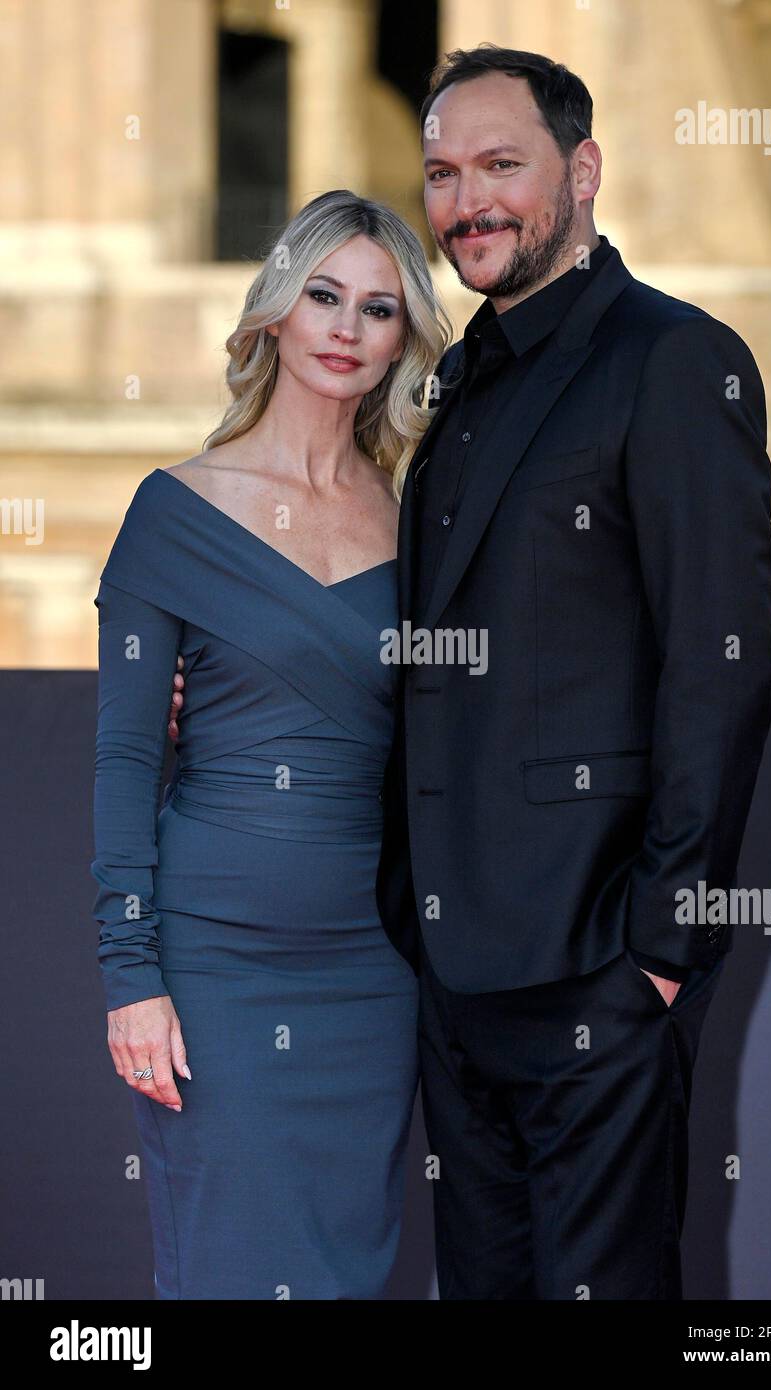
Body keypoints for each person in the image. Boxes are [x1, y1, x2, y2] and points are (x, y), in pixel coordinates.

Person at [171, 46, 771, 1300]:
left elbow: (719, 666)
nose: (466, 201)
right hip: (449, 974)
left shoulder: (672, 361)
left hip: (598, 971)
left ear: (584, 170)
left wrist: (659, 951)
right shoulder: (450, 384)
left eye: (501, 165)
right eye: (443, 173)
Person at [91, 189, 450, 1299]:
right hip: (215, 967)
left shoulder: (420, 519)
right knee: (232, 1266)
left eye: (379, 308)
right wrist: (129, 975)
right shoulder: (174, 510)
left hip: (373, 967)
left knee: (347, 1269)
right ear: (276, 316)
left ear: (404, 339)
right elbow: (123, 762)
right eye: (323, 296)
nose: (346, 328)